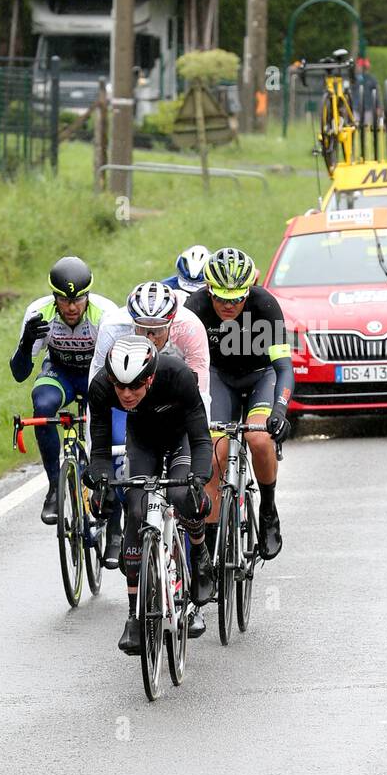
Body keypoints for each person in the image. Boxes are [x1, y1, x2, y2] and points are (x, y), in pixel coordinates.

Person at [84, 337, 214, 655]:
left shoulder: (178, 375)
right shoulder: (101, 387)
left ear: (151, 377)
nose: (126, 394)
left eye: (135, 386)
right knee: (137, 508)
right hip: (142, 441)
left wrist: (200, 478)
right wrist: (101, 480)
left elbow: (200, 439)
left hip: (182, 436)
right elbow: (99, 450)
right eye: (120, 387)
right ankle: (134, 616)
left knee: (183, 494)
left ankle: (198, 553)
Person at [89, 280, 212, 581]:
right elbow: (99, 402)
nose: (150, 336)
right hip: (140, 416)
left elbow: (202, 398)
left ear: (172, 321)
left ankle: (196, 553)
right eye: (142, 329)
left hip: (181, 408)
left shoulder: (189, 327)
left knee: (183, 494)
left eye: (158, 329)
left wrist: (201, 466)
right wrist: (99, 471)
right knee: (136, 499)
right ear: (132, 324)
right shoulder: (113, 329)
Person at [184, 247, 293, 560]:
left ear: (249, 291)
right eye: (220, 298)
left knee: (259, 438)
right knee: (215, 454)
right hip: (219, 378)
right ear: (207, 290)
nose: (227, 305)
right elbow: (188, 369)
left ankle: (269, 509)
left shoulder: (265, 304)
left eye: (236, 299)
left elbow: (284, 367)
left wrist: (280, 411)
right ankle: (212, 542)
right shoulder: (196, 307)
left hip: (261, 377)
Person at [9, 256, 116, 525]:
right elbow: (19, 374)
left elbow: (120, 366)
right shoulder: (39, 312)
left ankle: (111, 510)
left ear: (88, 296)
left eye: (78, 300)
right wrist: (26, 342)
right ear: (54, 296)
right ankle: (55, 487)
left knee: (107, 428)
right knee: (43, 405)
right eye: (64, 300)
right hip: (61, 372)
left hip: (98, 374)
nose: (71, 307)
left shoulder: (105, 314)